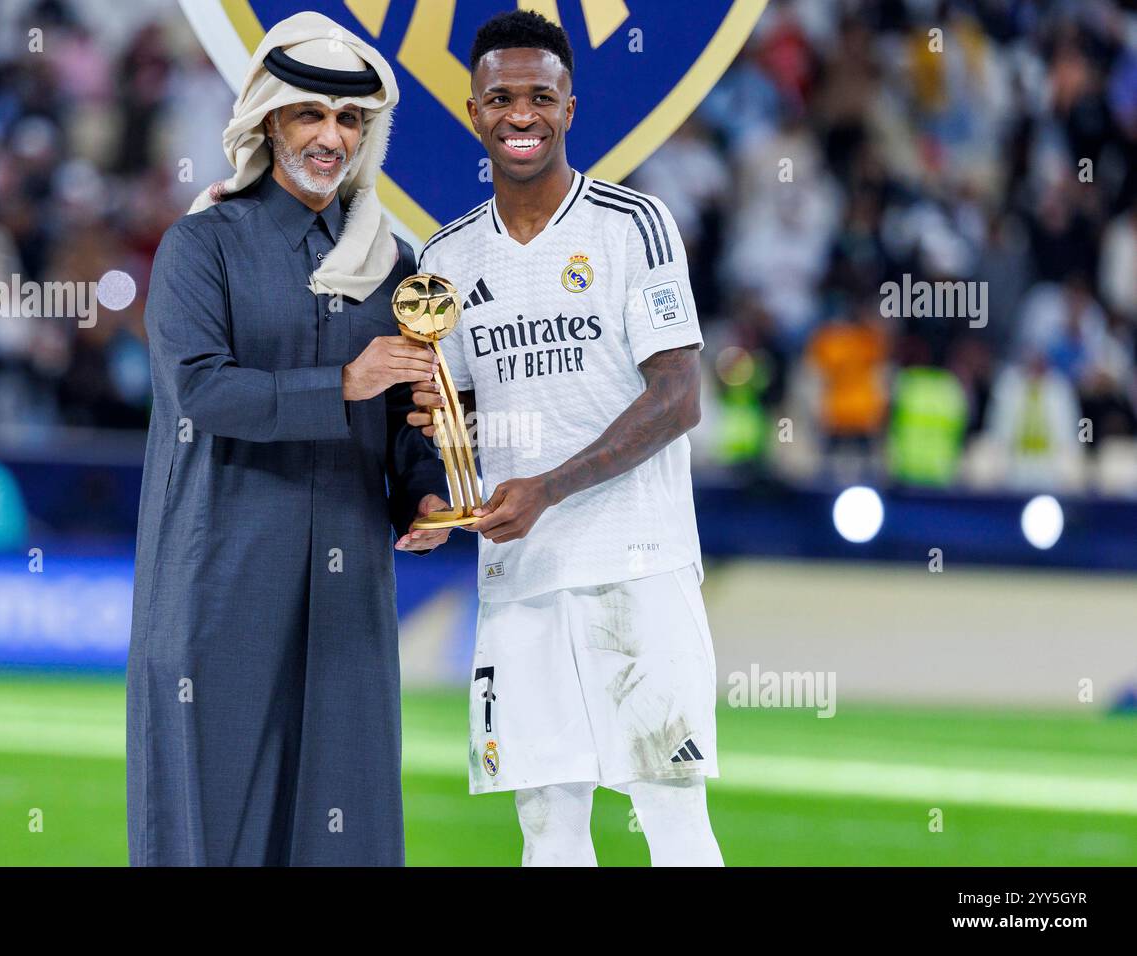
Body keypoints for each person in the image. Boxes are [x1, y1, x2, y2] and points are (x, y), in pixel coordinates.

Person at [128, 12, 450, 867]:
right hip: (221, 574)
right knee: (212, 813)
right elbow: (200, 389)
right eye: (311, 114)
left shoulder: (393, 263)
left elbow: (410, 412)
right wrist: (344, 382)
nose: (331, 136)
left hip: (348, 578)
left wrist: (426, 489)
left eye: (350, 120)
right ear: (270, 121)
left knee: (349, 809)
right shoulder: (201, 246)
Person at [411, 11, 723, 866]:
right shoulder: (444, 259)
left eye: (540, 97)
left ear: (571, 109)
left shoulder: (633, 226)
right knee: (547, 826)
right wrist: (435, 484)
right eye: (501, 98)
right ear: (473, 111)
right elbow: (458, 418)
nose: (522, 115)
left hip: (637, 563)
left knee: (672, 815)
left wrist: (547, 487)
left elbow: (679, 397)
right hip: (519, 577)